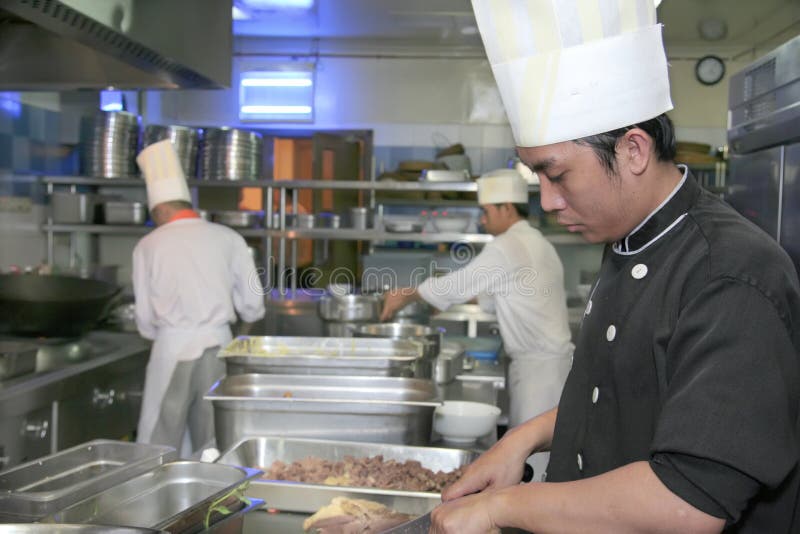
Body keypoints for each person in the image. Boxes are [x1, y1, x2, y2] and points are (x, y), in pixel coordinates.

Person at [430, 1, 800, 533]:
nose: (550, 201)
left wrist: (501, 507)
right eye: (539, 180)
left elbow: (688, 504)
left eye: (556, 174)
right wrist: (522, 439)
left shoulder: (732, 275)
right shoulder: (630, 241)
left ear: (632, 150)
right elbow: (624, 392)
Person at [380, 169, 574, 478]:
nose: (482, 220)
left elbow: (460, 283)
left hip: (539, 378)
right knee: (534, 465)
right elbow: (489, 296)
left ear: (506, 208)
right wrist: (433, 300)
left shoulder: (508, 246)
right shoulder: (536, 242)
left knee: (531, 470)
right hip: (549, 371)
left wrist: (407, 294)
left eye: (485, 211)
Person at [133, 139, 265, 454]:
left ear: (161, 208)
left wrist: (165, 332)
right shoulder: (229, 238)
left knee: (159, 441)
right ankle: (212, 498)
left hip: (172, 346)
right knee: (214, 440)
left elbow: (144, 319)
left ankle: (154, 501)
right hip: (219, 346)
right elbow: (253, 304)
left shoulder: (149, 245)